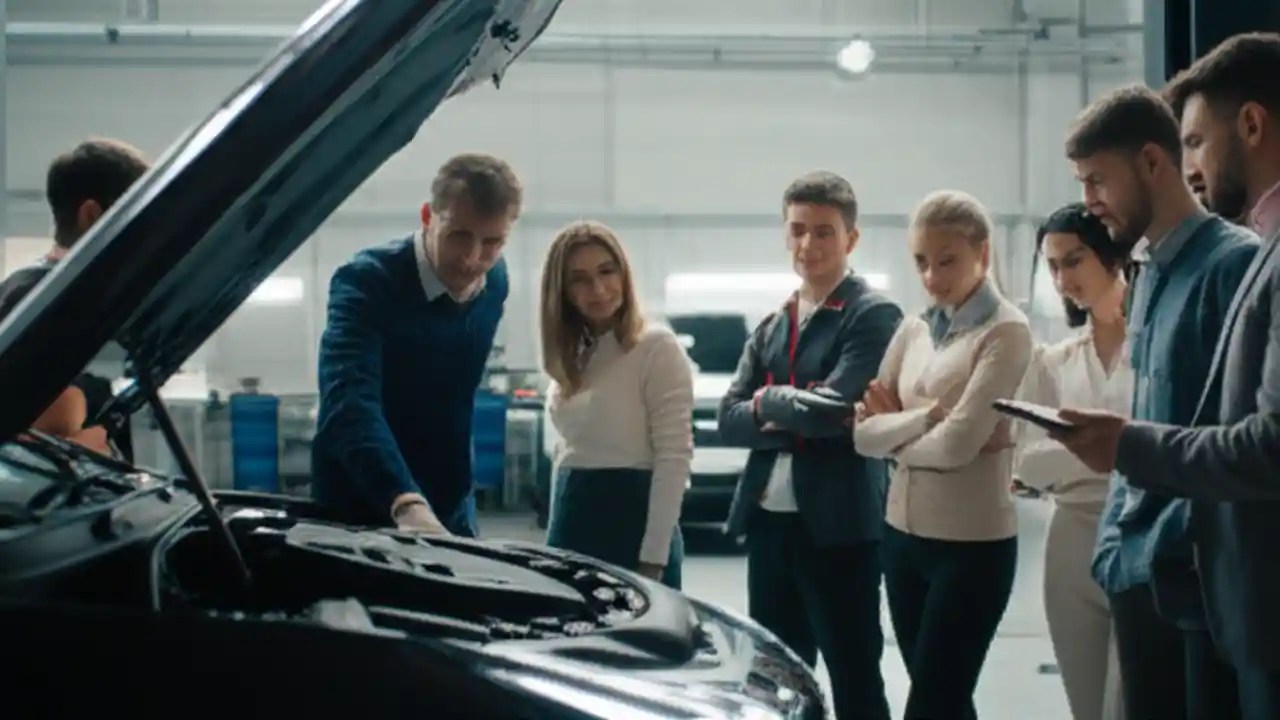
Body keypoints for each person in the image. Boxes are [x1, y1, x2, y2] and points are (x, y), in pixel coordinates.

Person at [1052, 32, 1280, 720]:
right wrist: (1119, 547)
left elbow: (1244, 441)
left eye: (1198, 142)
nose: (1089, 201)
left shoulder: (1235, 262)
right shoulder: (1148, 275)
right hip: (1142, 569)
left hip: (1199, 585)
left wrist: (1124, 450)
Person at [718, 171, 901, 720]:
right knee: (772, 681)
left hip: (839, 530)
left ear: (852, 239)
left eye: (824, 232)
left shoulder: (873, 315)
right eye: (798, 230)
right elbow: (728, 418)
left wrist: (768, 402)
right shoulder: (776, 321)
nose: (808, 245)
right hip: (769, 524)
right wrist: (789, 405)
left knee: (853, 676)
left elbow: (835, 411)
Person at [853, 189, 1031, 720]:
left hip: (971, 548)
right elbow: (861, 437)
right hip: (901, 539)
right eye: (921, 262)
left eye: (946, 260)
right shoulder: (913, 328)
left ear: (984, 253)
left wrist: (895, 434)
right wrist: (928, 418)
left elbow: (957, 448)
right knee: (947, 702)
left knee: (931, 702)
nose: (931, 276)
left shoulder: (1007, 332)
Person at [311, 153, 520, 537]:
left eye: (492, 242)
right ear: (427, 217)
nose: (474, 259)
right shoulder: (366, 282)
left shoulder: (496, 282)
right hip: (362, 504)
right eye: (459, 235)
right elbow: (349, 402)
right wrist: (406, 501)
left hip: (450, 504)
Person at [1013, 203, 1130, 720]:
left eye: (1074, 260)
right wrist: (1120, 449)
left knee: (1131, 704)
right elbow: (1024, 466)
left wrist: (1072, 450)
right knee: (1087, 708)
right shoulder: (1053, 360)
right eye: (1053, 265)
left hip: (1140, 531)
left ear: (1111, 254)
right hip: (1070, 545)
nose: (1062, 278)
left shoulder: (1155, 347)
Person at [539, 221, 693, 588]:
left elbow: (674, 458)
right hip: (571, 526)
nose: (598, 289)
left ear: (624, 274)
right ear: (562, 291)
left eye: (607, 271)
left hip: (631, 529)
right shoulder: (574, 355)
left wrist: (653, 560)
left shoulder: (656, 347)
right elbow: (567, 454)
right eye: (579, 279)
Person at [0, 137, 150, 457]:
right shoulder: (42, 300)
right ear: (92, 215)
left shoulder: (44, 292)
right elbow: (47, 448)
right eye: (135, 218)